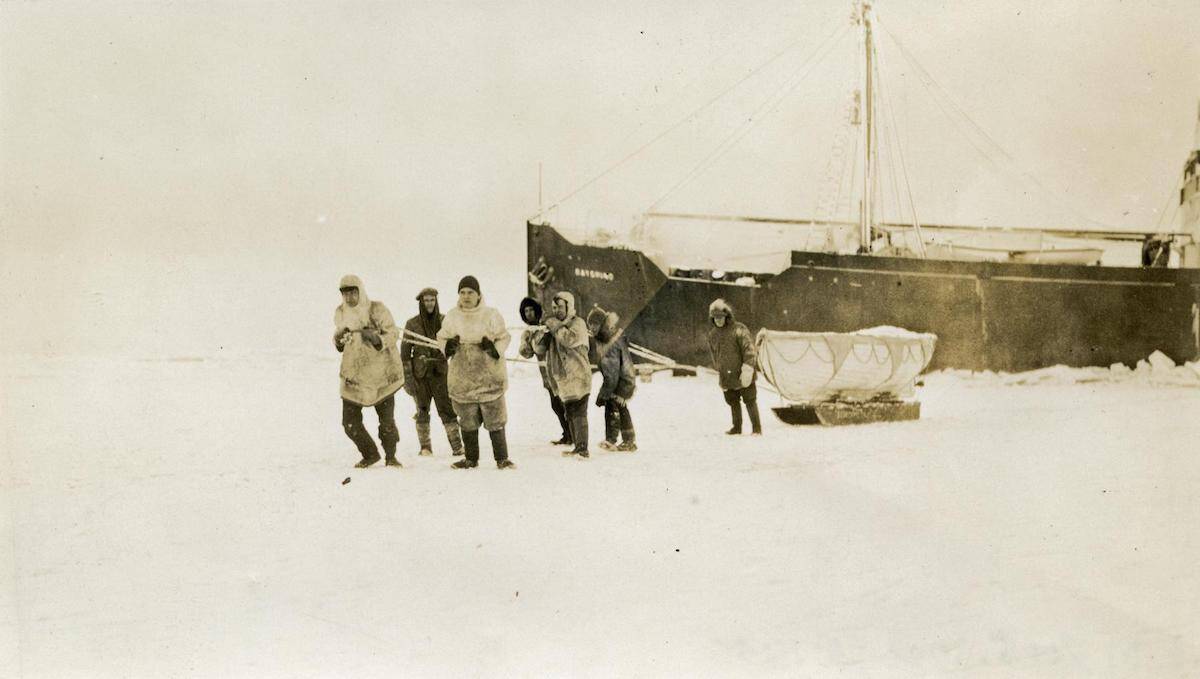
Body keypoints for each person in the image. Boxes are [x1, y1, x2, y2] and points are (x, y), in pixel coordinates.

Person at [436, 276, 515, 470]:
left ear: (478, 294)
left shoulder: (491, 314)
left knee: (495, 419)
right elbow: (441, 337)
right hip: (463, 376)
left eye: (470, 292)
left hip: (489, 375)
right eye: (462, 292)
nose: (466, 296)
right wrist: (449, 346)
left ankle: (502, 458)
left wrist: (493, 348)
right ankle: (471, 459)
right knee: (467, 419)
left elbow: (504, 337)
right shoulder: (452, 316)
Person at [333, 274, 405, 467]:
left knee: (386, 420)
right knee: (349, 423)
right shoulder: (340, 312)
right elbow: (339, 340)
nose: (349, 297)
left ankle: (391, 456)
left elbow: (393, 333)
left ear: (360, 290)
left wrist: (375, 338)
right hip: (354, 374)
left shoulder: (377, 309)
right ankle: (370, 453)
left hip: (382, 373)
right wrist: (339, 340)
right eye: (345, 293)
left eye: (352, 292)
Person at [400, 287, 465, 457]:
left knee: (447, 410)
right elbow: (405, 355)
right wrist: (408, 379)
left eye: (432, 300)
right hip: (420, 375)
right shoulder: (412, 324)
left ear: (436, 302)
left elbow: (454, 348)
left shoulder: (445, 322)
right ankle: (425, 447)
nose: (429, 303)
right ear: (421, 302)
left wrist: (452, 346)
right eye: (426, 300)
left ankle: (457, 446)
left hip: (441, 373)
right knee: (421, 410)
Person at [543, 291, 592, 458]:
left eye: (560, 307)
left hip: (578, 376)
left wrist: (554, 326)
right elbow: (542, 350)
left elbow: (570, 340)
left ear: (569, 307)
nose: (556, 310)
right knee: (570, 411)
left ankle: (582, 448)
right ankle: (576, 446)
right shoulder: (556, 327)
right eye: (554, 307)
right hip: (564, 378)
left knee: (579, 412)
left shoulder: (577, 323)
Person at [517, 297, 572, 445]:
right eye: (526, 311)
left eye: (531, 309)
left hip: (559, 370)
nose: (529, 313)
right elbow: (528, 353)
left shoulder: (547, 324)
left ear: (537, 310)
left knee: (565, 403)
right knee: (556, 404)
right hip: (547, 375)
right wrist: (525, 344)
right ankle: (567, 434)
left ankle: (572, 434)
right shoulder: (530, 331)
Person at [707, 298, 761, 435]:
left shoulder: (739, 329)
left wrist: (748, 368)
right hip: (727, 374)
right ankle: (737, 427)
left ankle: (756, 428)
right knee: (733, 401)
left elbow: (749, 349)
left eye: (721, 317)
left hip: (743, 372)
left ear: (727, 316)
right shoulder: (713, 335)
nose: (718, 320)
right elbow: (715, 354)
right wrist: (719, 368)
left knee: (750, 400)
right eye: (715, 318)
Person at [587, 307, 637, 452]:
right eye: (590, 324)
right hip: (621, 380)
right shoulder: (605, 337)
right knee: (616, 407)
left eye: (595, 324)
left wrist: (603, 394)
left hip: (622, 381)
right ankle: (620, 439)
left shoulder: (609, 342)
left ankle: (621, 440)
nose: (592, 327)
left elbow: (611, 375)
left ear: (602, 324)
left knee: (614, 406)